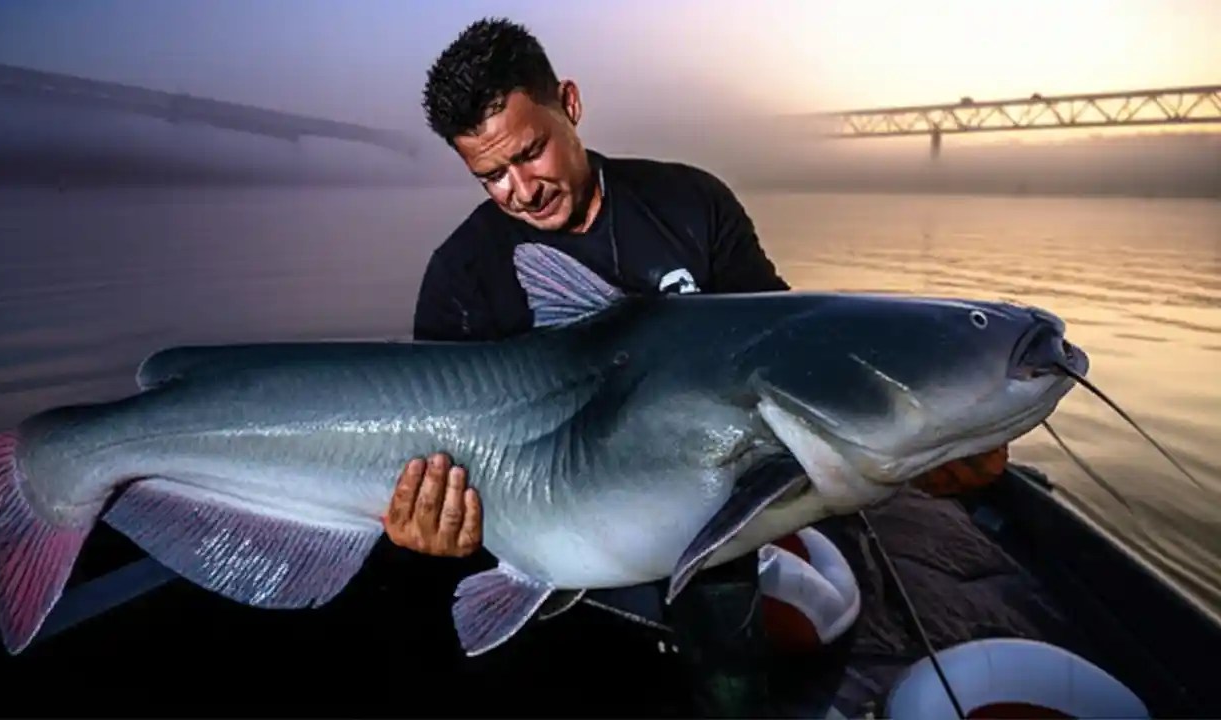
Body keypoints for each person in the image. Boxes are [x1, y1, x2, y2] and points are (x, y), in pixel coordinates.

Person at [381, 17, 1007, 716]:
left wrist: (929, 436)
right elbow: (441, 455)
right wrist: (426, 522)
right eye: (490, 175)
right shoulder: (460, 275)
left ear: (571, 104)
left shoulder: (689, 204)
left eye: (531, 152)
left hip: (712, 535)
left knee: (732, 694)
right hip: (540, 544)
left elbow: (796, 355)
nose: (520, 190)